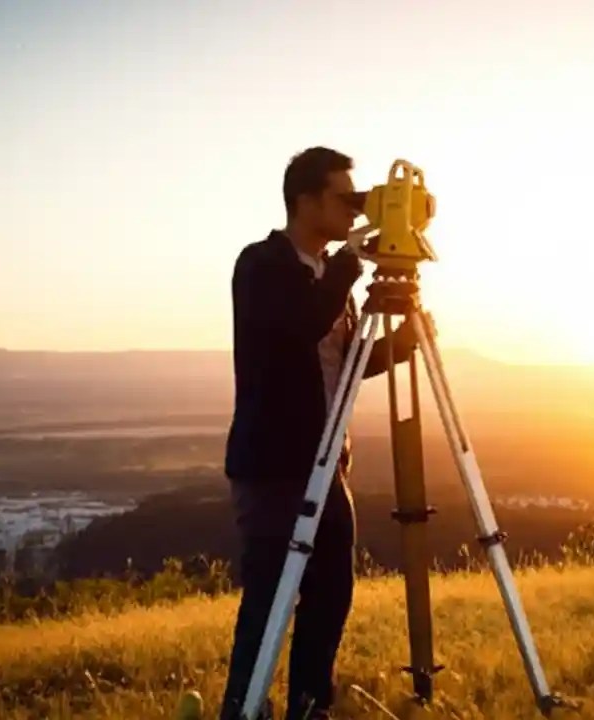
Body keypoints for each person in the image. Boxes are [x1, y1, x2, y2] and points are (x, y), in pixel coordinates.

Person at [219, 147, 418, 719]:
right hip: (275, 463)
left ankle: (309, 707)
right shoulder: (262, 265)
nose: (358, 211)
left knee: (330, 596)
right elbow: (298, 329)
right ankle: (240, 709)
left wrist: (400, 347)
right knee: (269, 600)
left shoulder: (334, 280)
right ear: (306, 200)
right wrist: (350, 265)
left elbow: (346, 360)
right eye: (347, 198)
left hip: (330, 464)